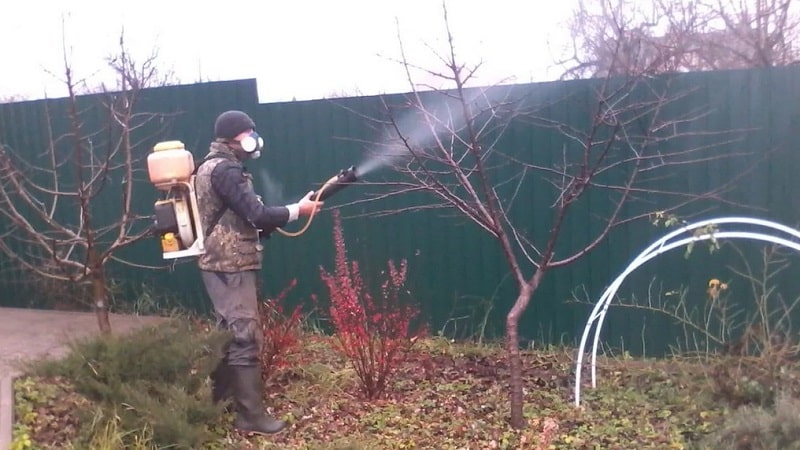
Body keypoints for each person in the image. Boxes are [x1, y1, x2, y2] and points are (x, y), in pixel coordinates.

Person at [194, 110, 323, 435]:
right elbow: (257, 214)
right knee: (245, 337)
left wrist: (290, 210)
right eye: (248, 133)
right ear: (232, 138)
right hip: (229, 264)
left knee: (230, 336)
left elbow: (247, 217)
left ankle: (217, 403)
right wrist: (297, 211)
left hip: (223, 262)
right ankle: (250, 417)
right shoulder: (225, 170)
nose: (253, 138)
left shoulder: (213, 167)